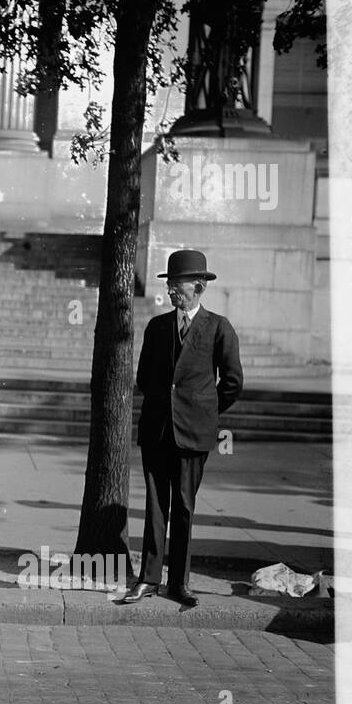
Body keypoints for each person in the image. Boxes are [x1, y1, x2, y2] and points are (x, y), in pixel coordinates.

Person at [121, 249, 243, 608]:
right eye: (171, 284)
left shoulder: (219, 327)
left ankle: (179, 583)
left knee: (185, 507)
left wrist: (205, 411)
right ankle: (148, 579)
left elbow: (233, 381)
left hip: (193, 434)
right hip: (158, 431)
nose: (173, 290)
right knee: (156, 507)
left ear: (199, 287)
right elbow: (144, 377)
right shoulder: (157, 327)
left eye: (179, 284)